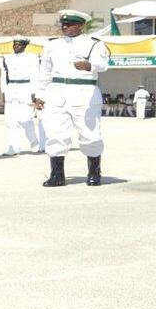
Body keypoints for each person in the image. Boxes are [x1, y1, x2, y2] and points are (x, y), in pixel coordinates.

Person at [36, 10, 109, 187]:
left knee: (90, 134)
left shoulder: (94, 44)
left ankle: (94, 172)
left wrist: (89, 65)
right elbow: (45, 72)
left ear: (81, 25)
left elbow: (104, 64)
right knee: (55, 134)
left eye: (70, 24)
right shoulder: (52, 45)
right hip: (57, 91)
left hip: (84, 91)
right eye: (63, 24)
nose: (65, 27)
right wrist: (40, 95)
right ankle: (57, 175)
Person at [0, 36, 43, 155]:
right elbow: (4, 77)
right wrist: (4, 92)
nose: (16, 47)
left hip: (26, 89)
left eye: (19, 45)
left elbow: (35, 76)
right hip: (11, 90)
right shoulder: (7, 58)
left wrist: (35, 94)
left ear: (24, 46)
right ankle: (13, 147)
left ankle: (34, 141)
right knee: (10, 121)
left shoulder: (32, 58)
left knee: (26, 119)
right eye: (14, 44)